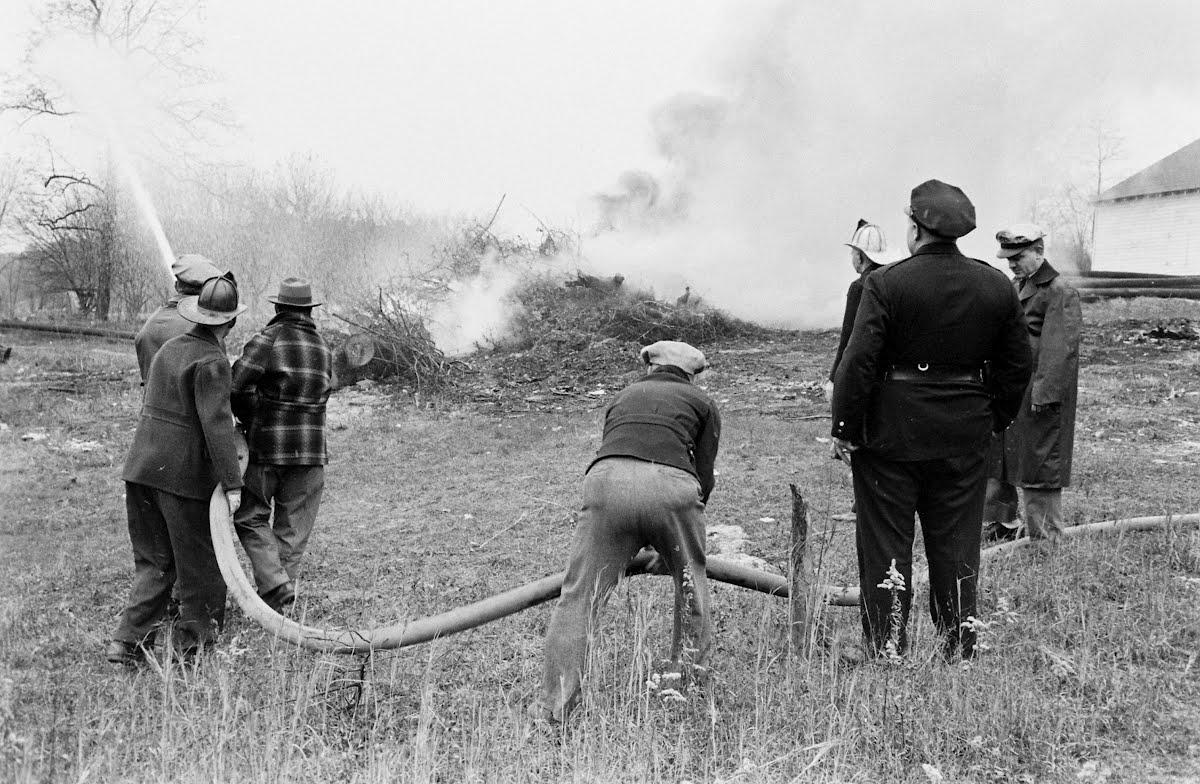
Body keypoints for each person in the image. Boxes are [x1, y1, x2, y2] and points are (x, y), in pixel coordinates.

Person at [831, 180, 1032, 661]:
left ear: (916, 229)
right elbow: (1018, 365)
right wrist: (993, 419)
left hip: (890, 437)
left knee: (885, 544)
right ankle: (959, 647)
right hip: (965, 435)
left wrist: (845, 430)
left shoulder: (885, 283)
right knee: (958, 546)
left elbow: (857, 363)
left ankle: (887, 647)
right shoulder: (996, 284)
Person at [536, 340, 721, 722]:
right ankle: (685, 689)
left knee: (579, 596)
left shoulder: (623, 396)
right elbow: (703, 477)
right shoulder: (702, 402)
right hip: (671, 489)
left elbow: (616, 448)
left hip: (605, 484)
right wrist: (670, 540)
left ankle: (555, 708)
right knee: (691, 585)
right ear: (691, 375)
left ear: (651, 368)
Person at [107, 274, 247, 665]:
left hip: (141, 470)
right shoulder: (213, 361)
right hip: (181, 479)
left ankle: (127, 642)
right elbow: (217, 427)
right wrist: (233, 484)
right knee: (201, 565)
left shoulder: (169, 348)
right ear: (231, 321)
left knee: (155, 563)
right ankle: (193, 649)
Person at [230, 278, 334, 612]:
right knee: (294, 527)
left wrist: (253, 414)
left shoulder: (268, 339)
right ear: (308, 310)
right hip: (311, 453)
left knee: (251, 516)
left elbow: (235, 386)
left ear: (278, 307)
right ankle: (279, 601)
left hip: (267, 449)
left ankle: (275, 586)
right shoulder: (323, 346)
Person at [983, 224, 1081, 543]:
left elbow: (1060, 348)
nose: (1011, 264)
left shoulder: (1059, 290)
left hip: (1037, 396)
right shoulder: (1015, 285)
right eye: (1007, 258)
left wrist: (1045, 395)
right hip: (1011, 391)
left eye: (1018, 257)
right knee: (999, 458)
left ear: (1039, 252)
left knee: (1040, 466)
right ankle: (1001, 525)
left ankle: (1046, 540)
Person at [825, 219, 898, 402]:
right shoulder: (893, 282)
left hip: (866, 377)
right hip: (893, 380)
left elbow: (848, 338)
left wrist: (834, 380)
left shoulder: (859, 287)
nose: (852, 257)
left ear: (860, 256)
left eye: (853, 252)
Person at [134, 254, 225, 382]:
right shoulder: (207, 327)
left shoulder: (149, 327)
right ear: (208, 291)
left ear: (176, 286)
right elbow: (218, 381)